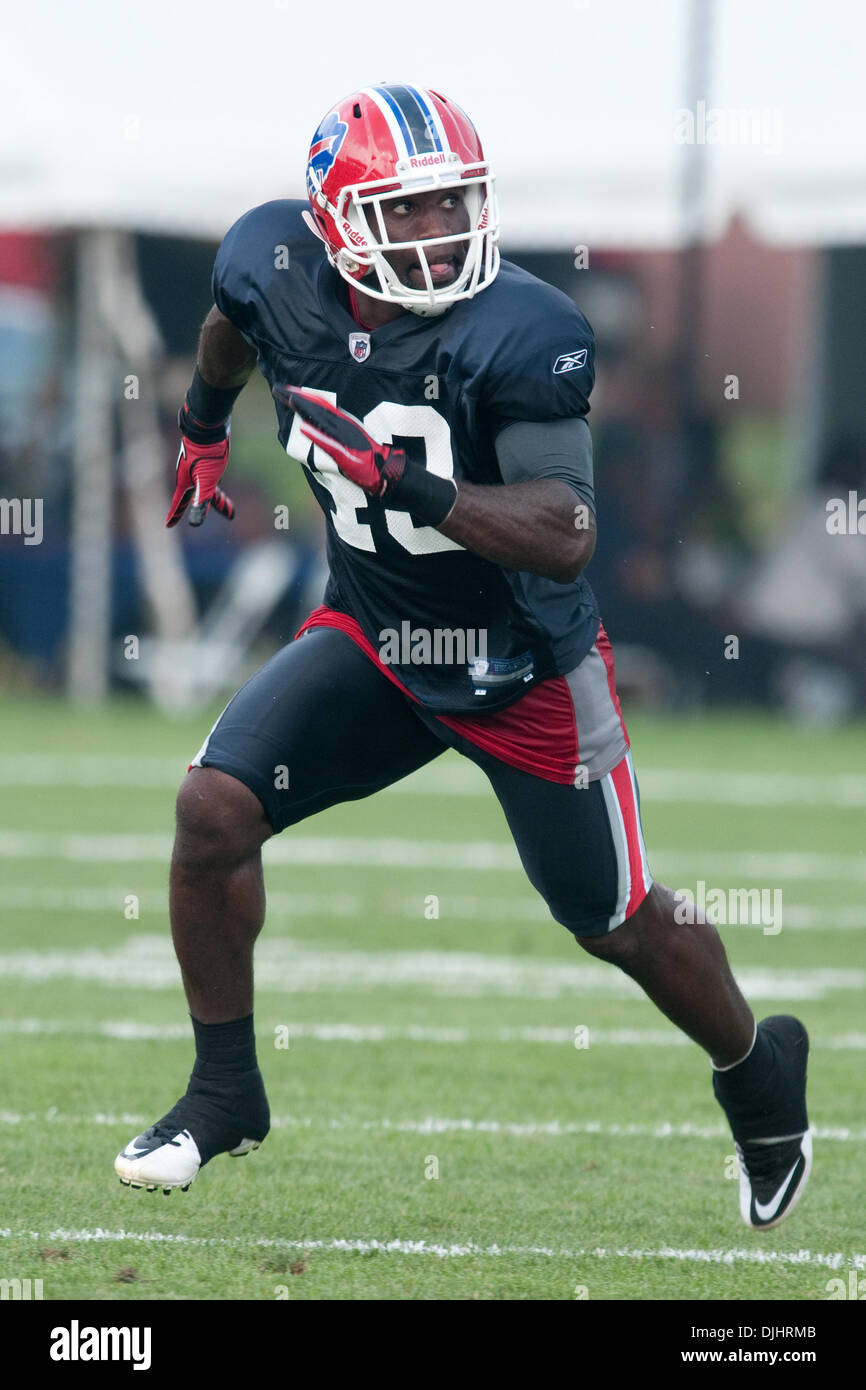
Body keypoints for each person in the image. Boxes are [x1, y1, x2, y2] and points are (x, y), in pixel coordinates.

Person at [115, 84, 810, 1229]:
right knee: (210, 812)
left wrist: (409, 483)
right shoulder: (270, 256)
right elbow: (236, 314)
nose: (441, 233)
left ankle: (753, 1066)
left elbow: (564, 531)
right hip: (377, 638)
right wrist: (201, 418)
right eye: (412, 210)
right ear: (336, 224)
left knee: (615, 920)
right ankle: (224, 1090)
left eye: (453, 205)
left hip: (523, 669)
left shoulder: (521, 330)